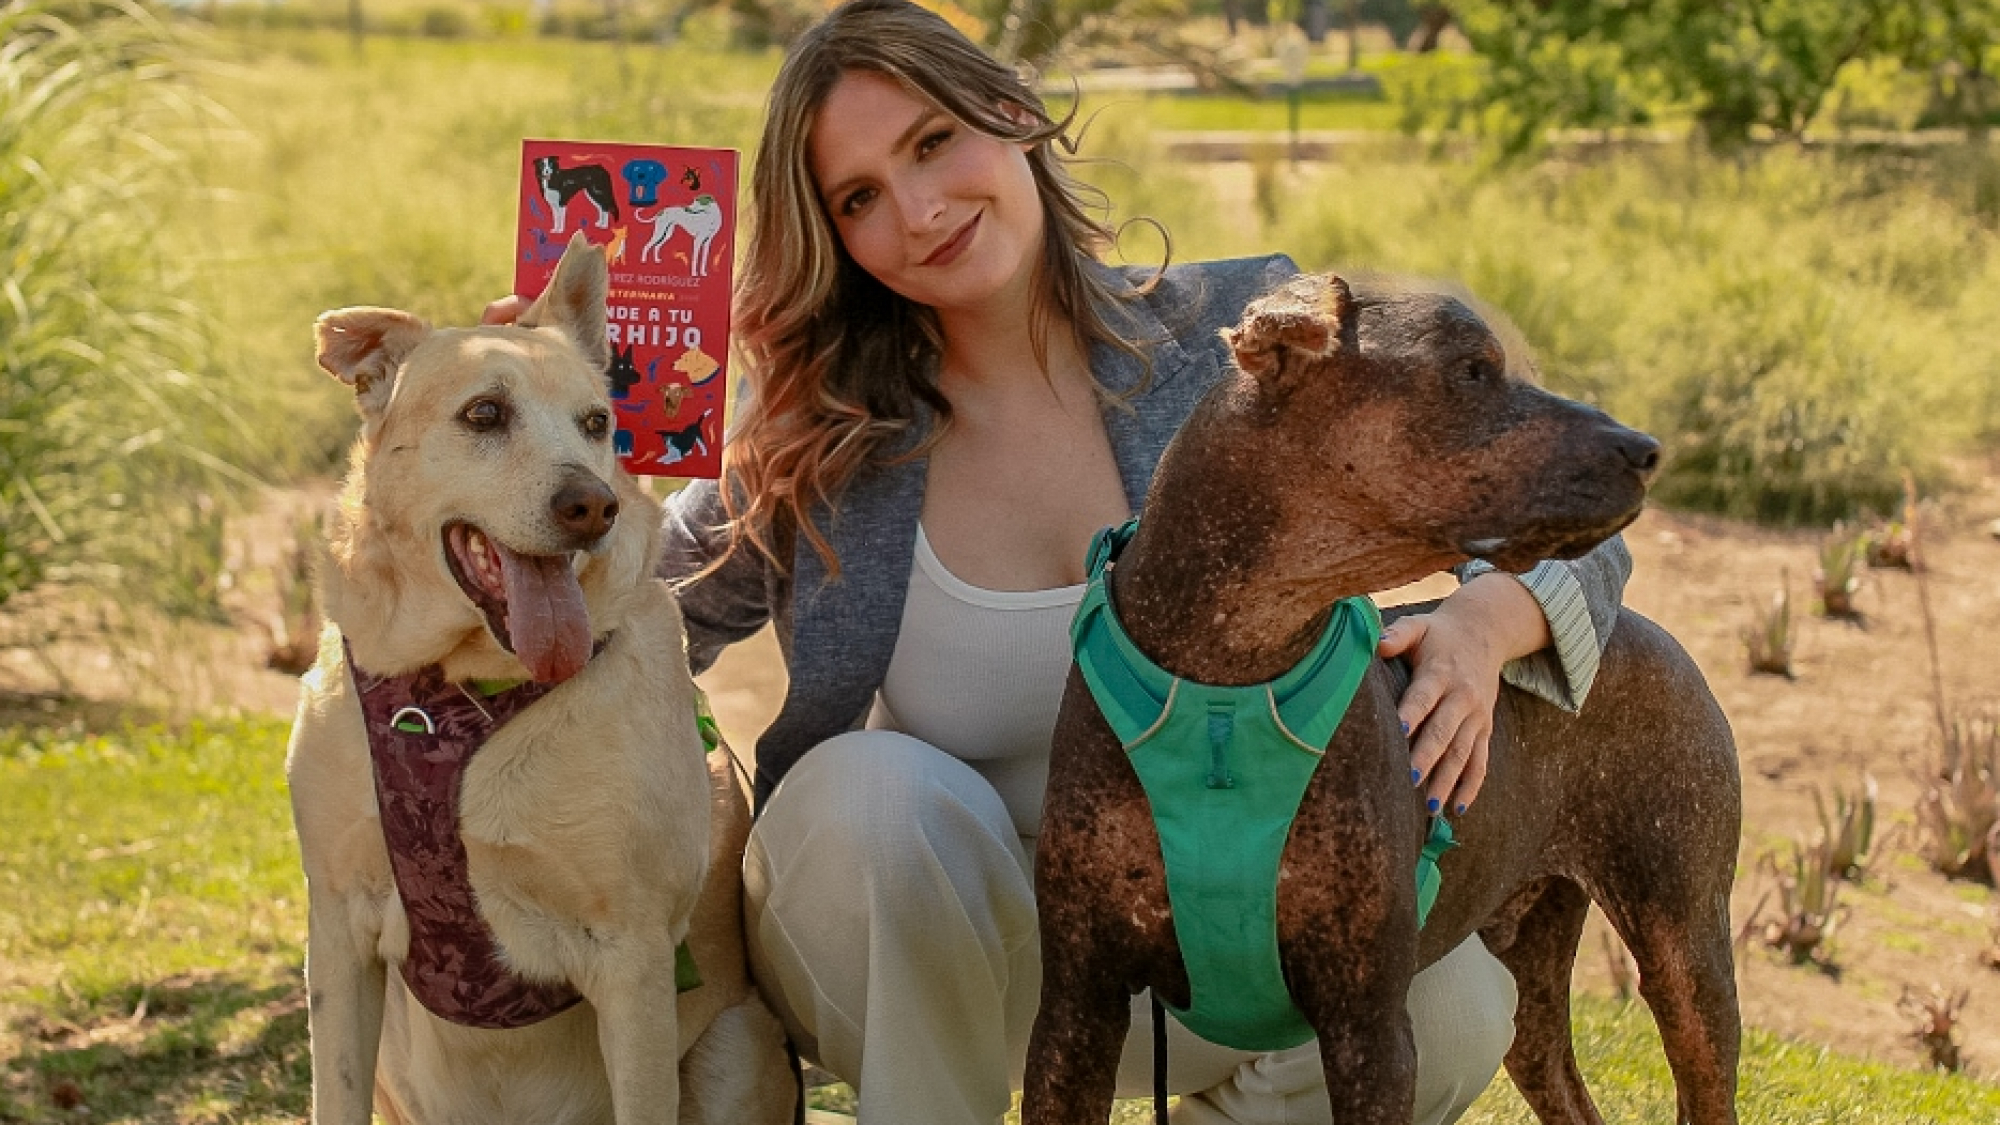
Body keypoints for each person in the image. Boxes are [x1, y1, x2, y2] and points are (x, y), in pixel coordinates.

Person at [493, 2, 1630, 1121]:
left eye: (933, 143)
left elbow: (1566, 499)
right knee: (864, 791)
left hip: (1214, 959)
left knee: (1451, 1001)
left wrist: (1490, 620)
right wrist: (555, 437)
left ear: (1011, 113)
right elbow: (635, 624)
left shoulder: (1252, 346)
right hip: (938, 973)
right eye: (861, 198)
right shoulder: (821, 431)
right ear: (835, 239)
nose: (921, 210)